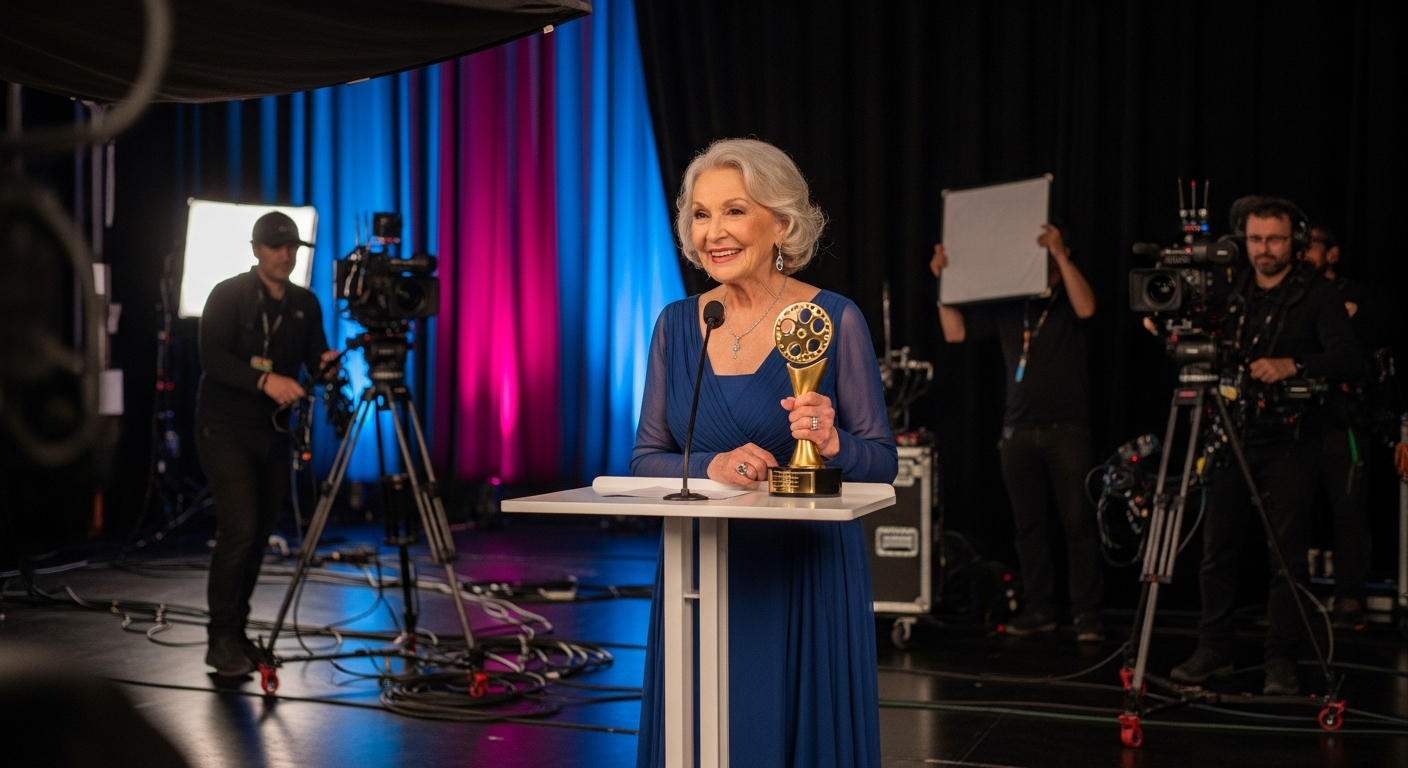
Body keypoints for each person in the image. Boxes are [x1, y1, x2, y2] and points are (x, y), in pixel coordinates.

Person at [631, 138, 898, 768]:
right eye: (700, 214)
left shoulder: (835, 318)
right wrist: (710, 467)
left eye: (733, 211)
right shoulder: (675, 324)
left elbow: (881, 460)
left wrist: (832, 444)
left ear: (780, 223)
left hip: (803, 571)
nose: (713, 232)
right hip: (700, 568)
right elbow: (645, 459)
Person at [1169, 198, 1359, 695]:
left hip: (1292, 439)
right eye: (1255, 239)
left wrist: (1293, 364)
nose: (1264, 250)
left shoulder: (1318, 295)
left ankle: (1282, 660)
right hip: (1232, 431)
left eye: (1274, 239)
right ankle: (1214, 649)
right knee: (1217, 551)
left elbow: (1347, 358)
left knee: (1287, 558)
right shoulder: (1232, 291)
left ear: (1294, 242)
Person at [929, 224, 1106, 642]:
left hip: (1068, 432)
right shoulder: (1013, 307)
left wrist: (1061, 255)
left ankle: (1087, 614)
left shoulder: (1066, 301)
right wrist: (944, 279)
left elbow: (1088, 309)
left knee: (1078, 525)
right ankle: (1040, 607)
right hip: (1018, 433)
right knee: (1028, 528)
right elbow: (954, 332)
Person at [196, 211, 337, 676]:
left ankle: (236, 632)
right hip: (225, 427)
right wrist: (265, 381)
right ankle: (220, 639)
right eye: (277, 246)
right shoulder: (228, 294)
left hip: (274, 433)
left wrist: (329, 368)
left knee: (258, 535)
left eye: (292, 247)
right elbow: (212, 358)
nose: (286, 255)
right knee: (240, 528)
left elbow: (316, 363)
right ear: (256, 249)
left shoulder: (305, 303)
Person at [1303, 222, 1392, 628]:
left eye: (1314, 246)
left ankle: (1350, 597)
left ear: (1332, 253)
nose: (1305, 252)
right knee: (1290, 510)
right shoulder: (1287, 298)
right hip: (1297, 418)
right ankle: (1291, 598)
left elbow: (1357, 351)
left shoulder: (1360, 298)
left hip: (1344, 417)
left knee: (1349, 508)